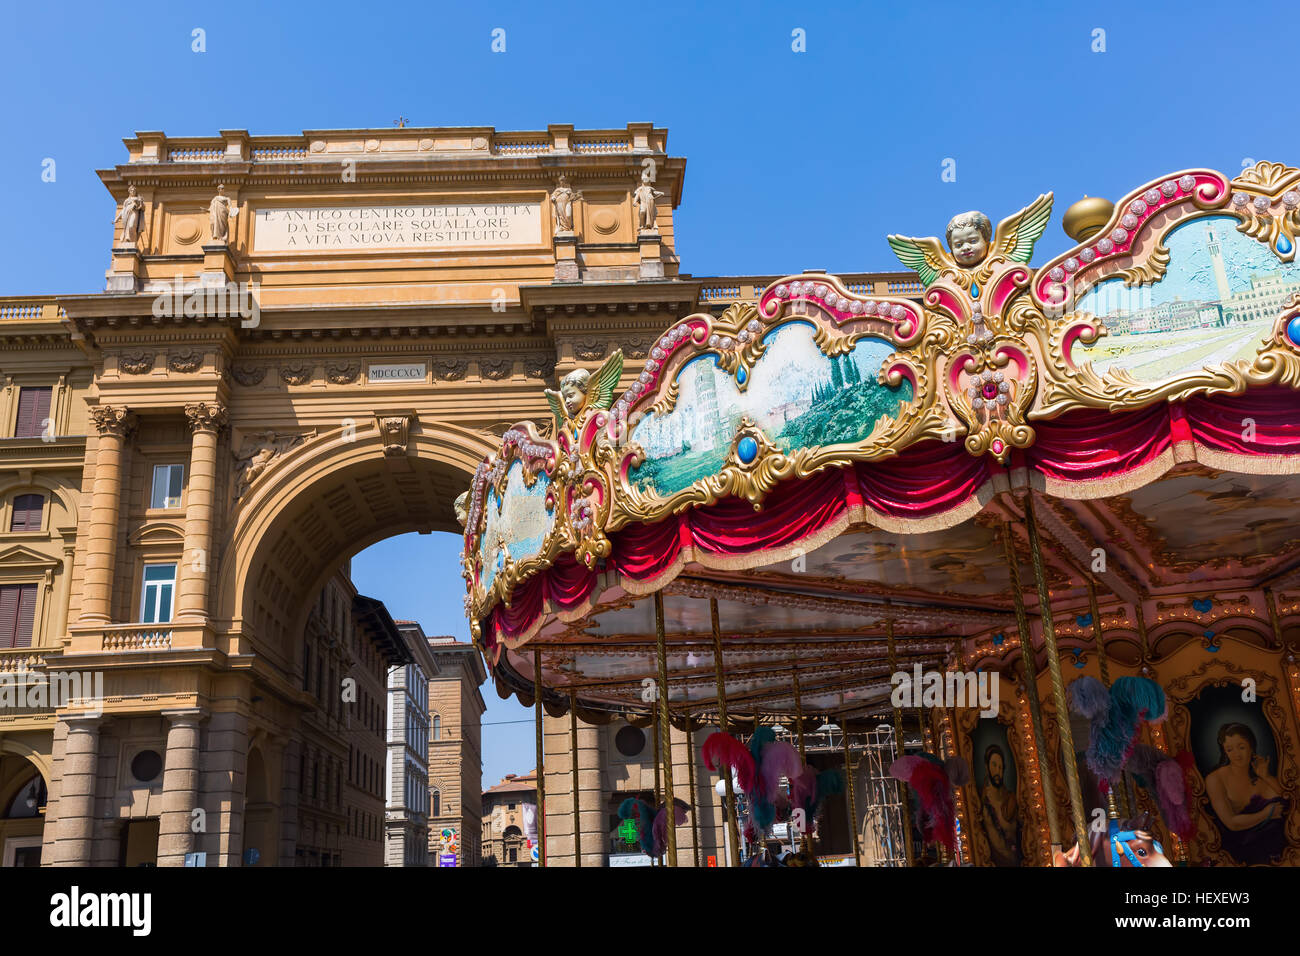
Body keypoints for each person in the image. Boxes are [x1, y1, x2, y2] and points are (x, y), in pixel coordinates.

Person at [1205, 722, 1288, 864]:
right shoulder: (1215, 779)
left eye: (1241, 747)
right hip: (1244, 850)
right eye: (1230, 750)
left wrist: (1266, 777)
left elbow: (1289, 800)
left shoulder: (1260, 776)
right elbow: (1232, 823)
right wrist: (1266, 814)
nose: (1236, 755)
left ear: (1251, 747)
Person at [980, 743, 1021, 866]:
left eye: (1001, 767)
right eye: (994, 765)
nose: (998, 771)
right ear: (987, 767)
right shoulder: (982, 802)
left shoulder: (1010, 798)